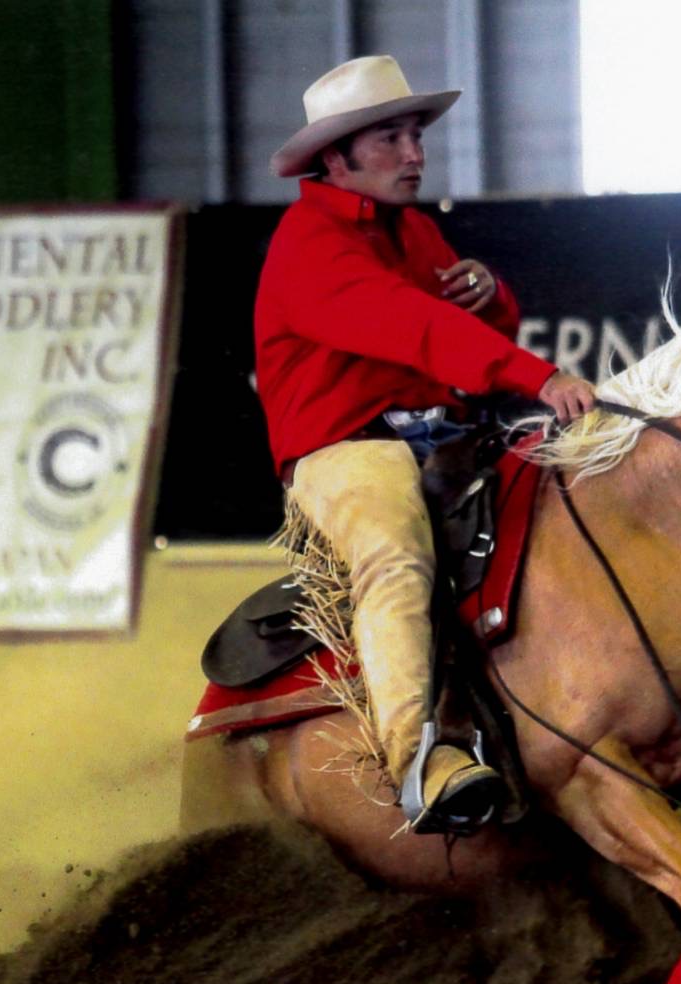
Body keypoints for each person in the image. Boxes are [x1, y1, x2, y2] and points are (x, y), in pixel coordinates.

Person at [255, 55, 596, 833]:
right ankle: (421, 762)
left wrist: (491, 296)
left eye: (414, 135)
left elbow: (461, 326)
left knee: (584, 491)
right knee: (394, 553)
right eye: (390, 139)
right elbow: (416, 328)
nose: (414, 154)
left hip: (441, 434)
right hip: (345, 448)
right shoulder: (307, 243)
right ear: (334, 158)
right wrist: (536, 375)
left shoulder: (413, 230)